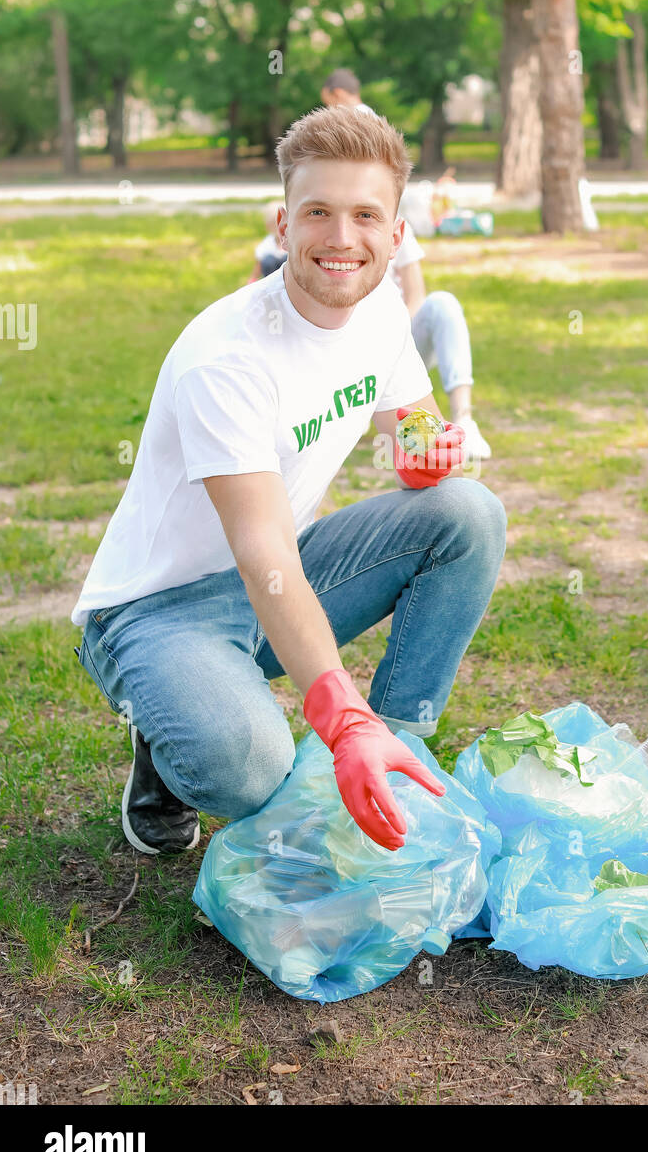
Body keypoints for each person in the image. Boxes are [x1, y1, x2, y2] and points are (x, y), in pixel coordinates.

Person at [71, 105, 507, 858]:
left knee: (467, 513)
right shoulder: (227, 355)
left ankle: (393, 753)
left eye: (366, 215)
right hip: (156, 611)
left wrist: (428, 450)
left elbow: (411, 423)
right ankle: (167, 748)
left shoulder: (379, 317)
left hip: (273, 576)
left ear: (397, 235)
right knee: (248, 768)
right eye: (319, 213)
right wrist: (338, 714)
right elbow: (264, 550)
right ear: (282, 225)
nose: (343, 239)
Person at [320, 69, 492, 461]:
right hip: (347, 346)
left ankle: (464, 419)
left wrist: (395, 340)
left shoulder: (398, 231)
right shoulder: (330, 241)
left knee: (444, 303)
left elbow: (415, 293)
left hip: (398, 339)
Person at [248, 201, 286, 283]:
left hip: (290, 280)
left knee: (287, 258)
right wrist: (252, 280)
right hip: (271, 280)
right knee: (268, 260)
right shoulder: (267, 244)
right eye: (275, 224)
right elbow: (258, 265)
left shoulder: (293, 242)